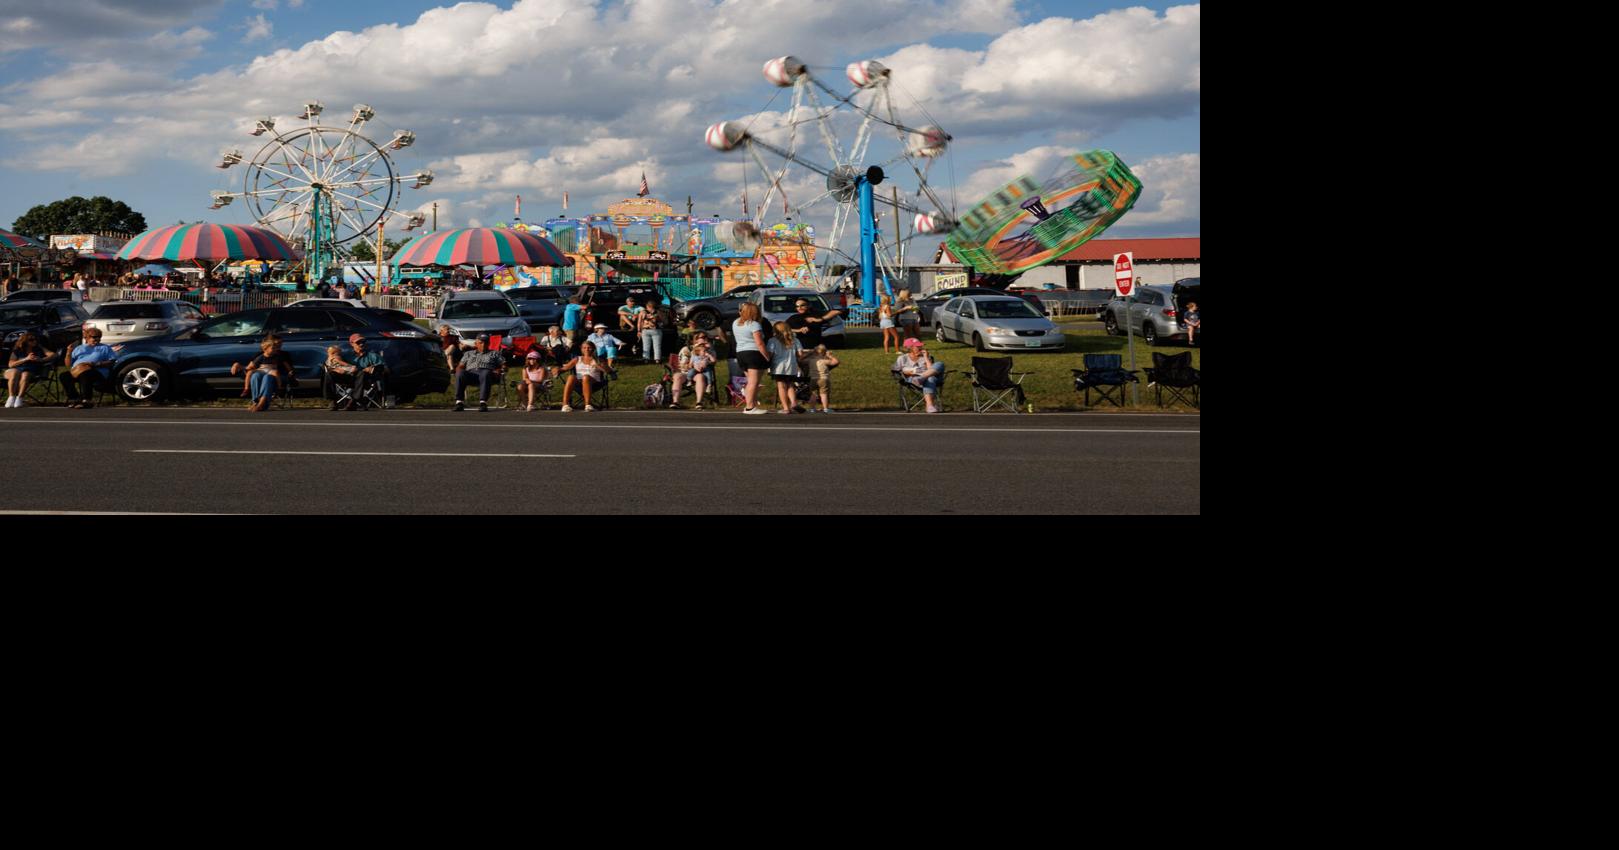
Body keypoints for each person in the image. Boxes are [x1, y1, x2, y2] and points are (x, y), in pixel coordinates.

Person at [60, 327, 120, 409]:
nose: (97, 339)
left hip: (97, 372)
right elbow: (68, 364)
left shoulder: (105, 348)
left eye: (99, 337)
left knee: (85, 374)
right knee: (64, 375)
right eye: (94, 337)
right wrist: (68, 353)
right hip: (78, 371)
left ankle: (86, 400)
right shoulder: (79, 348)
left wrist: (96, 364)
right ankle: (75, 399)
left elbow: (112, 361)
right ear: (86, 338)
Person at [732, 301, 770, 414]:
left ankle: (751, 404)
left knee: (750, 382)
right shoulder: (754, 324)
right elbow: (760, 343)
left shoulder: (736, 322)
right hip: (753, 353)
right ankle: (750, 407)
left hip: (740, 353)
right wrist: (767, 356)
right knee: (754, 382)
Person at [453, 334, 504, 413]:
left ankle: (483, 403)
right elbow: (461, 366)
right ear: (476, 344)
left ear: (489, 344)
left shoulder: (494, 353)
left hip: (488, 374)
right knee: (460, 373)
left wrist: (499, 370)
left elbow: (504, 365)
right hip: (471, 374)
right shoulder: (468, 353)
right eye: (481, 342)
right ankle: (459, 402)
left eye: (486, 343)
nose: (483, 345)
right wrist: (458, 371)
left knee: (485, 373)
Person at [334, 333, 386, 411]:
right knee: (329, 373)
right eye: (358, 342)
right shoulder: (346, 355)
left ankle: (353, 401)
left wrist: (371, 368)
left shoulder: (372, 356)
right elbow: (334, 364)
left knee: (362, 373)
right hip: (349, 378)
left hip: (366, 381)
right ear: (352, 344)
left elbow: (386, 369)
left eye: (363, 342)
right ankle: (332, 400)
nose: (361, 344)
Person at [5, 332, 57, 408]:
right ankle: (11, 397)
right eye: (31, 340)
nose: (34, 341)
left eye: (35, 339)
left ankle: (19, 398)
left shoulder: (39, 348)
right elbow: (11, 364)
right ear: (25, 341)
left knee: (25, 375)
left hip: (30, 370)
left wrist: (41, 359)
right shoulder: (17, 350)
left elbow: (53, 355)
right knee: (15, 373)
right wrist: (26, 359)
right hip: (16, 369)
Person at [241, 336, 293, 412]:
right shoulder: (260, 355)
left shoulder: (283, 355)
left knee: (267, 377)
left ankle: (262, 403)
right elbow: (249, 368)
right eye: (276, 343)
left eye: (281, 343)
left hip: (279, 377)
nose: (279, 346)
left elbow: (289, 368)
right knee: (256, 375)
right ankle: (255, 401)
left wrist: (291, 373)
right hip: (263, 374)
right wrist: (238, 366)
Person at [895, 337, 945, 413]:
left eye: (920, 346)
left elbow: (930, 369)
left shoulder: (925, 356)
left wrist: (926, 357)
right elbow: (898, 370)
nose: (921, 348)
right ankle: (930, 406)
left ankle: (922, 378)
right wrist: (910, 372)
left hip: (924, 377)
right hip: (913, 379)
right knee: (930, 378)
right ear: (910, 348)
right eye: (917, 346)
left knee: (940, 364)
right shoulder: (902, 358)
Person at [669, 331, 717, 410]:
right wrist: (693, 365)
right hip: (686, 372)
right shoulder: (686, 349)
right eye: (703, 337)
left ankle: (699, 402)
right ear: (695, 339)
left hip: (702, 372)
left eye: (706, 337)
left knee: (700, 377)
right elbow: (682, 364)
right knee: (677, 376)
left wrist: (705, 363)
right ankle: (675, 402)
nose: (705, 339)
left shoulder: (710, 349)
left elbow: (713, 362)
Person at [766, 320, 805, 414]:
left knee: (781, 386)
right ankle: (794, 403)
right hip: (792, 365)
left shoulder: (772, 340)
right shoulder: (795, 340)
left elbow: (769, 354)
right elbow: (800, 354)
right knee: (790, 385)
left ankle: (786, 408)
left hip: (778, 366)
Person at [559, 340, 607, 412]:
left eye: (589, 347)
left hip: (595, 383)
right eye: (584, 348)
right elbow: (564, 368)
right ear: (581, 349)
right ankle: (565, 405)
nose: (586, 349)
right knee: (571, 377)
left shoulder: (598, 359)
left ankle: (588, 405)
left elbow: (608, 370)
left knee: (586, 377)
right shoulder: (577, 359)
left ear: (593, 349)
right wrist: (557, 370)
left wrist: (599, 366)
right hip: (579, 383)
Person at [801, 344, 840, 413]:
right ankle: (825, 408)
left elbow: (802, 360)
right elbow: (836, 362)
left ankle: (812, 409)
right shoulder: (824, 361)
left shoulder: (811, 361)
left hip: (813, 379)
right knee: (823, 394)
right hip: (823, 379)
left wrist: (809, 353)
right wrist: (830, 356)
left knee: (813, 394)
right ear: (824, 353)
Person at [637, 298, 665, 365]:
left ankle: (646, 359)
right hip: (656, 330)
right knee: (657, 345)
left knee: (646, 345)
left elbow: (639, 322)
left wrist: (639, 331)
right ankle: (657, 359)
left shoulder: (642, 312)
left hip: (645, 330)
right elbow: (663, 322)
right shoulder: (658, 312)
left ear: (647, 306)